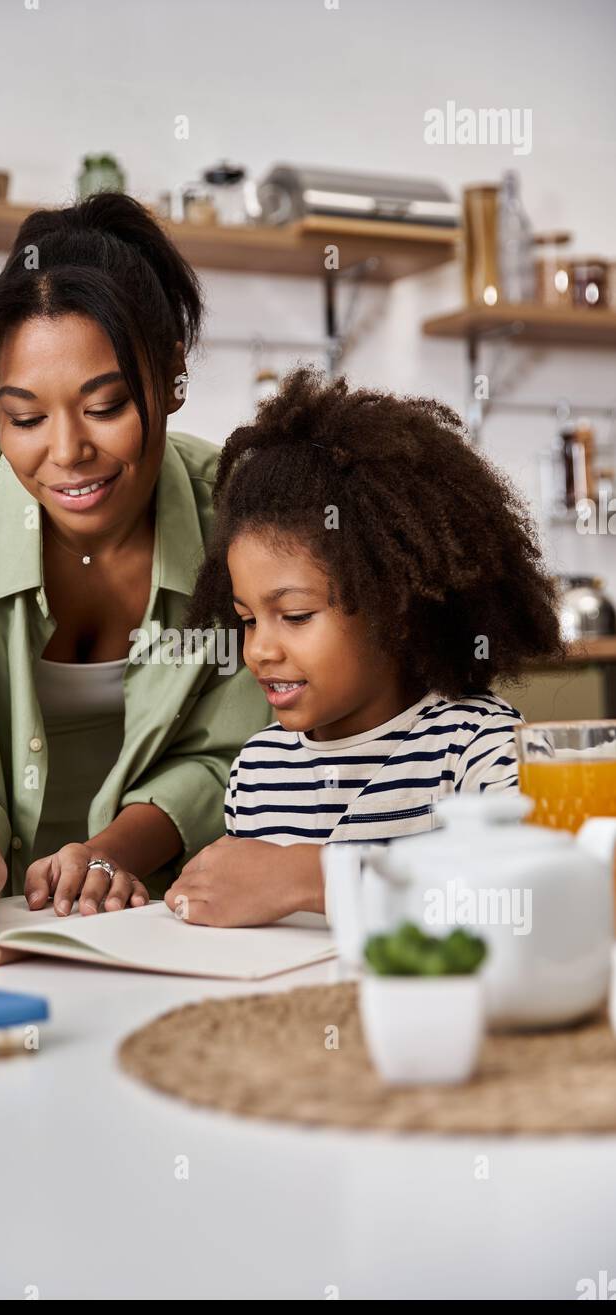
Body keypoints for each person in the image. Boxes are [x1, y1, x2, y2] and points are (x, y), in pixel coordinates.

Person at [0, 193, 267, 936]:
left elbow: (237, 755)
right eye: (26, 418)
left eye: (104, 407)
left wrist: (109, 853)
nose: (66, 452)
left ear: (171, 377)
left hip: (177, 915)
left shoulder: (239, 521)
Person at [165, 368, 563, 927]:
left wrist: (310, 877)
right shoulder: (259, 771)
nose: (258, 650)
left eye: (296, 616)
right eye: (248, 620)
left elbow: (533, 889)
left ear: (393, 607)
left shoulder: (475, 747)